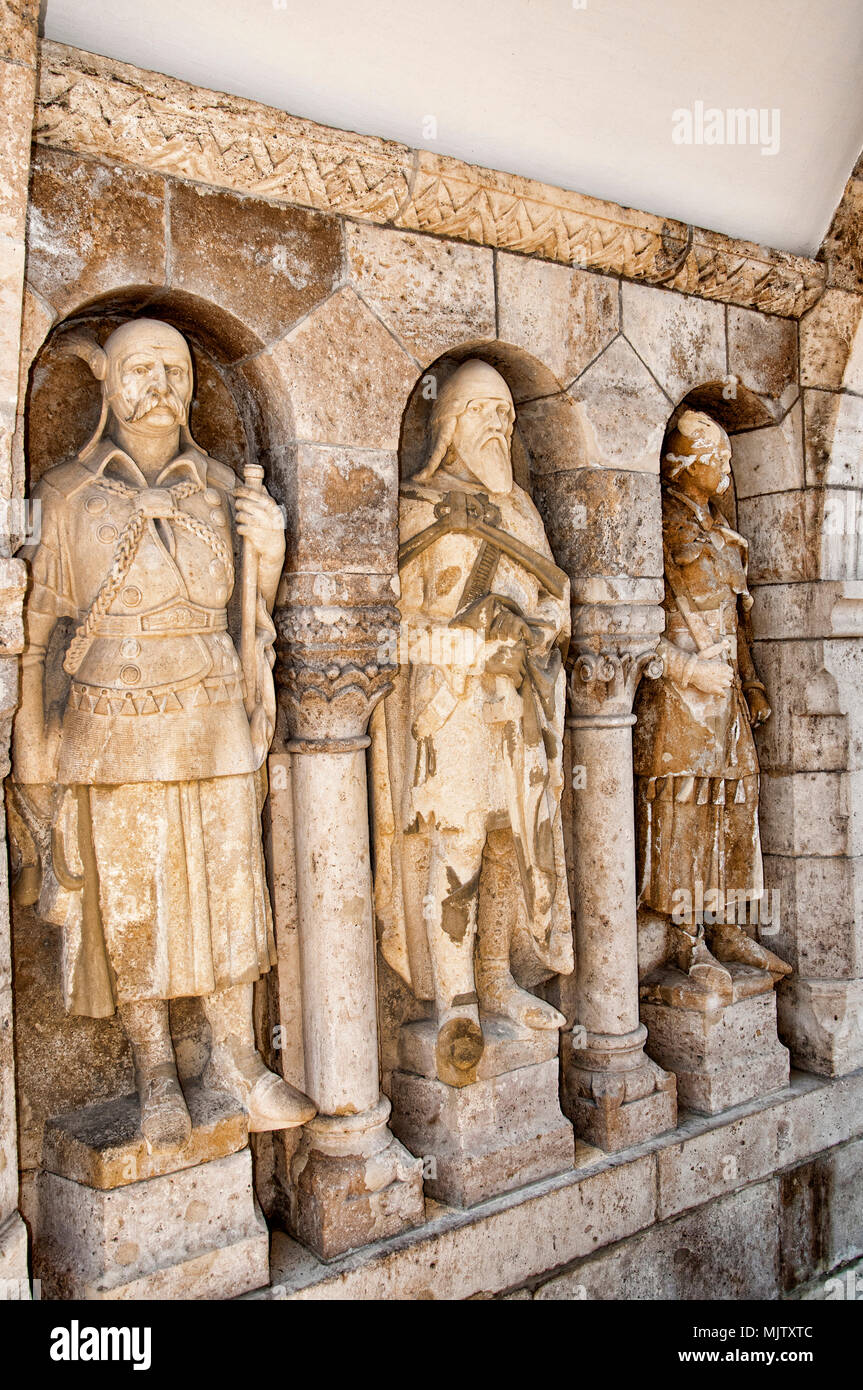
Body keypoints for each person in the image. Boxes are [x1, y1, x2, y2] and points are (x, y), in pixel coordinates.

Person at [11, 318, 315, 1152]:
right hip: (109, 726)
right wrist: (32, 740)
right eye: (141, 368)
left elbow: (249, 616)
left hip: (212, 716)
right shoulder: (66, 491)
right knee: (132, 905)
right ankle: (153, 1076)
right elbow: (37, 635)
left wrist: (273, 552)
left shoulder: (220, 487)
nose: (162, 385)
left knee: (228, 892)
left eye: (175, 370)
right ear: (108, 383)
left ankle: (236, 1060)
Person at [371, 359, 574, 1085]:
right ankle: (455, 997)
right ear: (449, 422)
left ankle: (496, 981)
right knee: (453, 845)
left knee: (505, 842)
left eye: (508, 415)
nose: (499, 425)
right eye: (484, 411)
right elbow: (390, 627)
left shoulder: (519, 509)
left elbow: (557, 605)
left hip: (515, 705)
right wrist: (464, 640)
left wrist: (533, 633)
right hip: (447, 707)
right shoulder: (415, 508)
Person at [634, 408, 790, 1001]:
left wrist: (749, 683)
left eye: (728, 454)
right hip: (679, 697)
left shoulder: (719, 529)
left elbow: (736, 621)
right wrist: (689, 670)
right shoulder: (656, 521)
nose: (725, 465)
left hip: (725, 694)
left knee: (736, 804)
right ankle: (686, 937)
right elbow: (627, 628)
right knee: (683, 813)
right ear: (684, 463)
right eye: (715, 456)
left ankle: (728, 926)